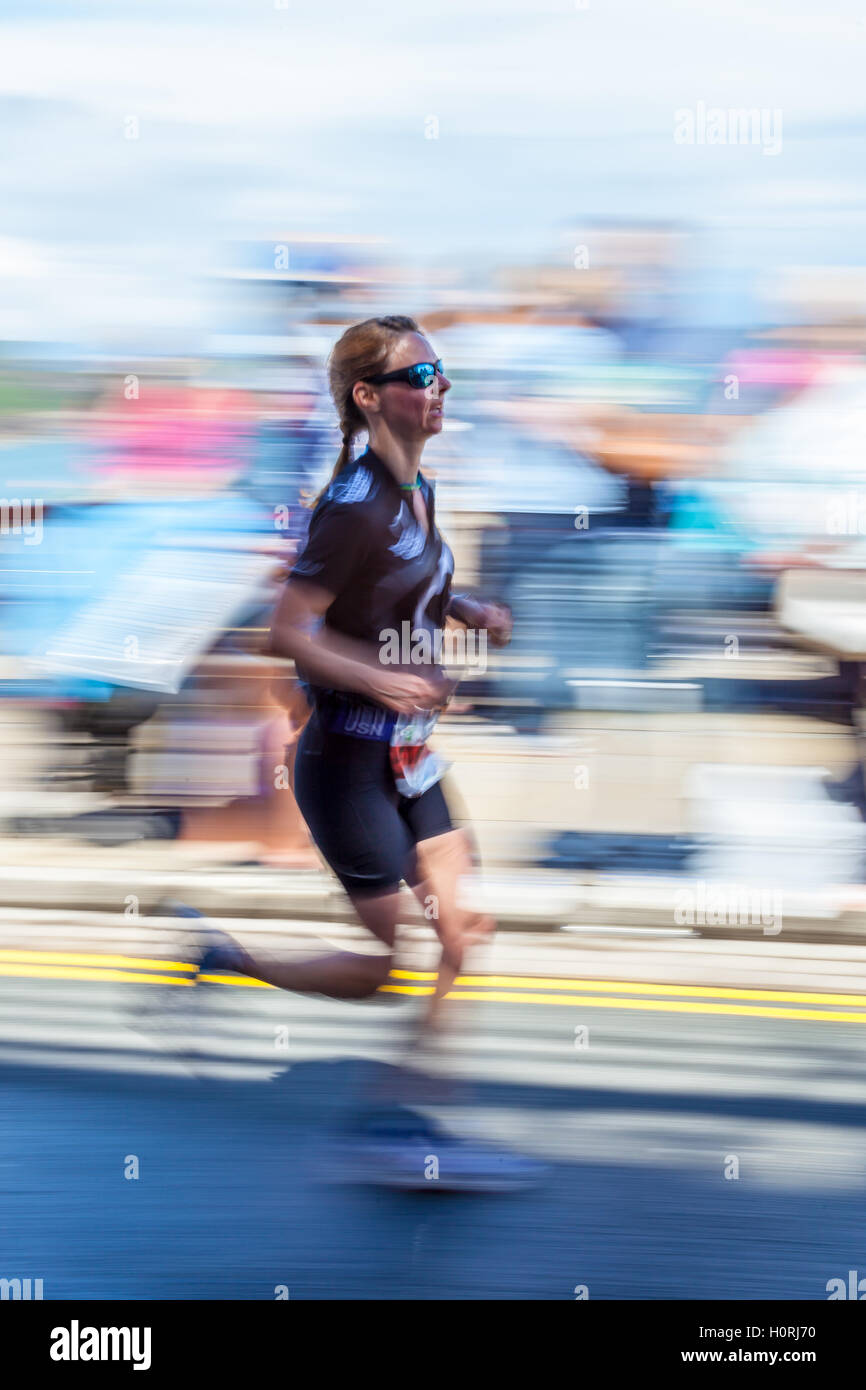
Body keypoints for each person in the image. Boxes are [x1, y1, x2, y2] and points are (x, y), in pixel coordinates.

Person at [177, 315, 537, 1187]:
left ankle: (404, 1116)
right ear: (369, 397)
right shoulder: (354, 505)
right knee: (388, 965)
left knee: (464, 930)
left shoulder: (418, 491)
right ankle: (231, 962)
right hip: (345, 765)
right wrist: (380, 679)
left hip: (413, 758)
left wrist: (469, 608)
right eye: (421, 375)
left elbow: (404, 585)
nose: (439, 387)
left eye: (444, 373)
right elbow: (287, 630)